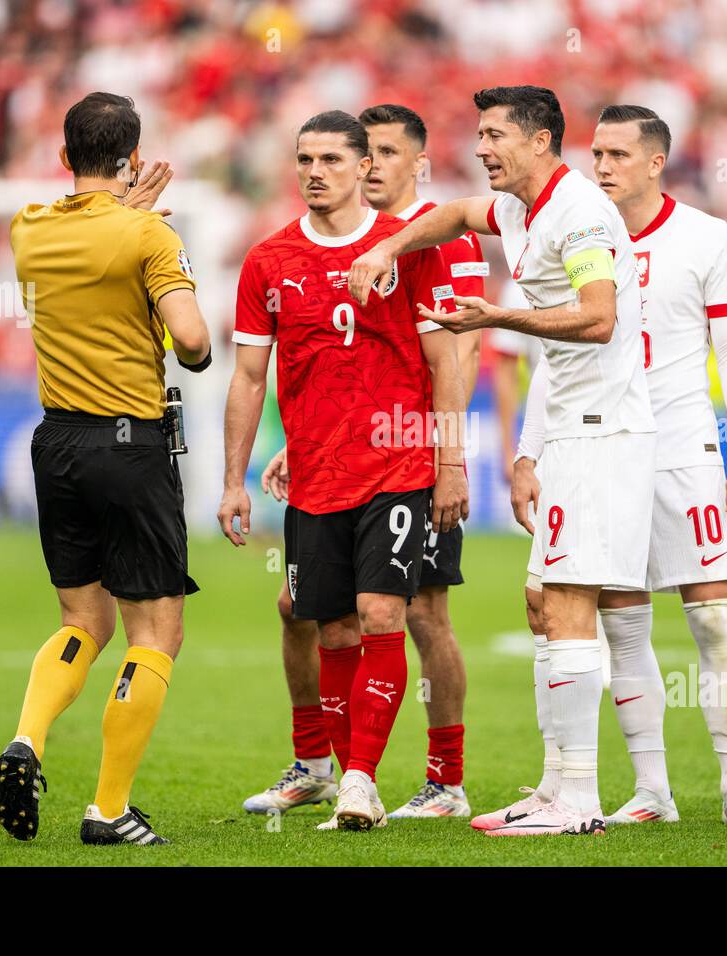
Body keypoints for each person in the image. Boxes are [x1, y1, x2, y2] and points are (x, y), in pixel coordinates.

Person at [350, 85, 653, 837]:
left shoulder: (579, 213)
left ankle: (580, 800)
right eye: (479, 133)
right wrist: (387, 244)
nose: (480, 147)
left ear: (541, 140)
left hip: (604, 432)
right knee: (544, 603)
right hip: (568, 433)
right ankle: (555, 785)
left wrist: (495, 315)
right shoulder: (521, 206)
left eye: (494, 136)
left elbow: (598, 315)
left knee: (572, 603)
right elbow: (451, 214)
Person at [497, 105, 727, 827]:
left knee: (711, 617)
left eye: (619, 154)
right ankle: (652, 791)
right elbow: (552, 361)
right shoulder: (572, 225)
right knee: (621, 625)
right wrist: (528, 451)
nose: (604, 166)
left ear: (656, 162)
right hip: (606, 443)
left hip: (683, 444)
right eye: (597, 153)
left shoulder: (705, 236)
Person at [219, 110, 469, 831]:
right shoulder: (269, 262)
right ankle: (327, 770)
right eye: (305, 158)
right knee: (329, 630)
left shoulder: (407, 252)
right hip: (316, 480)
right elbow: (248, 379)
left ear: (365, 168)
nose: (315, 171)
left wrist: (449, 461)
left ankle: (362, 781)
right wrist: (235, 477)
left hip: (398, 466)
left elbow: (443, 365)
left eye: (332, 158)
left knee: (388, 612)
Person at [0, 92, 211, 846]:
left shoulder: (28, 229)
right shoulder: (147, 236)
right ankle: (108, 809)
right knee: (155, 631)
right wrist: (150, 233)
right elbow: (192, 341)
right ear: (132, 158)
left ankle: (28, 738)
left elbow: (91, 231)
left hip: (56, 445)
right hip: (130, 447)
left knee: (81, 619)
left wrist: (129, 212)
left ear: (64, 157)